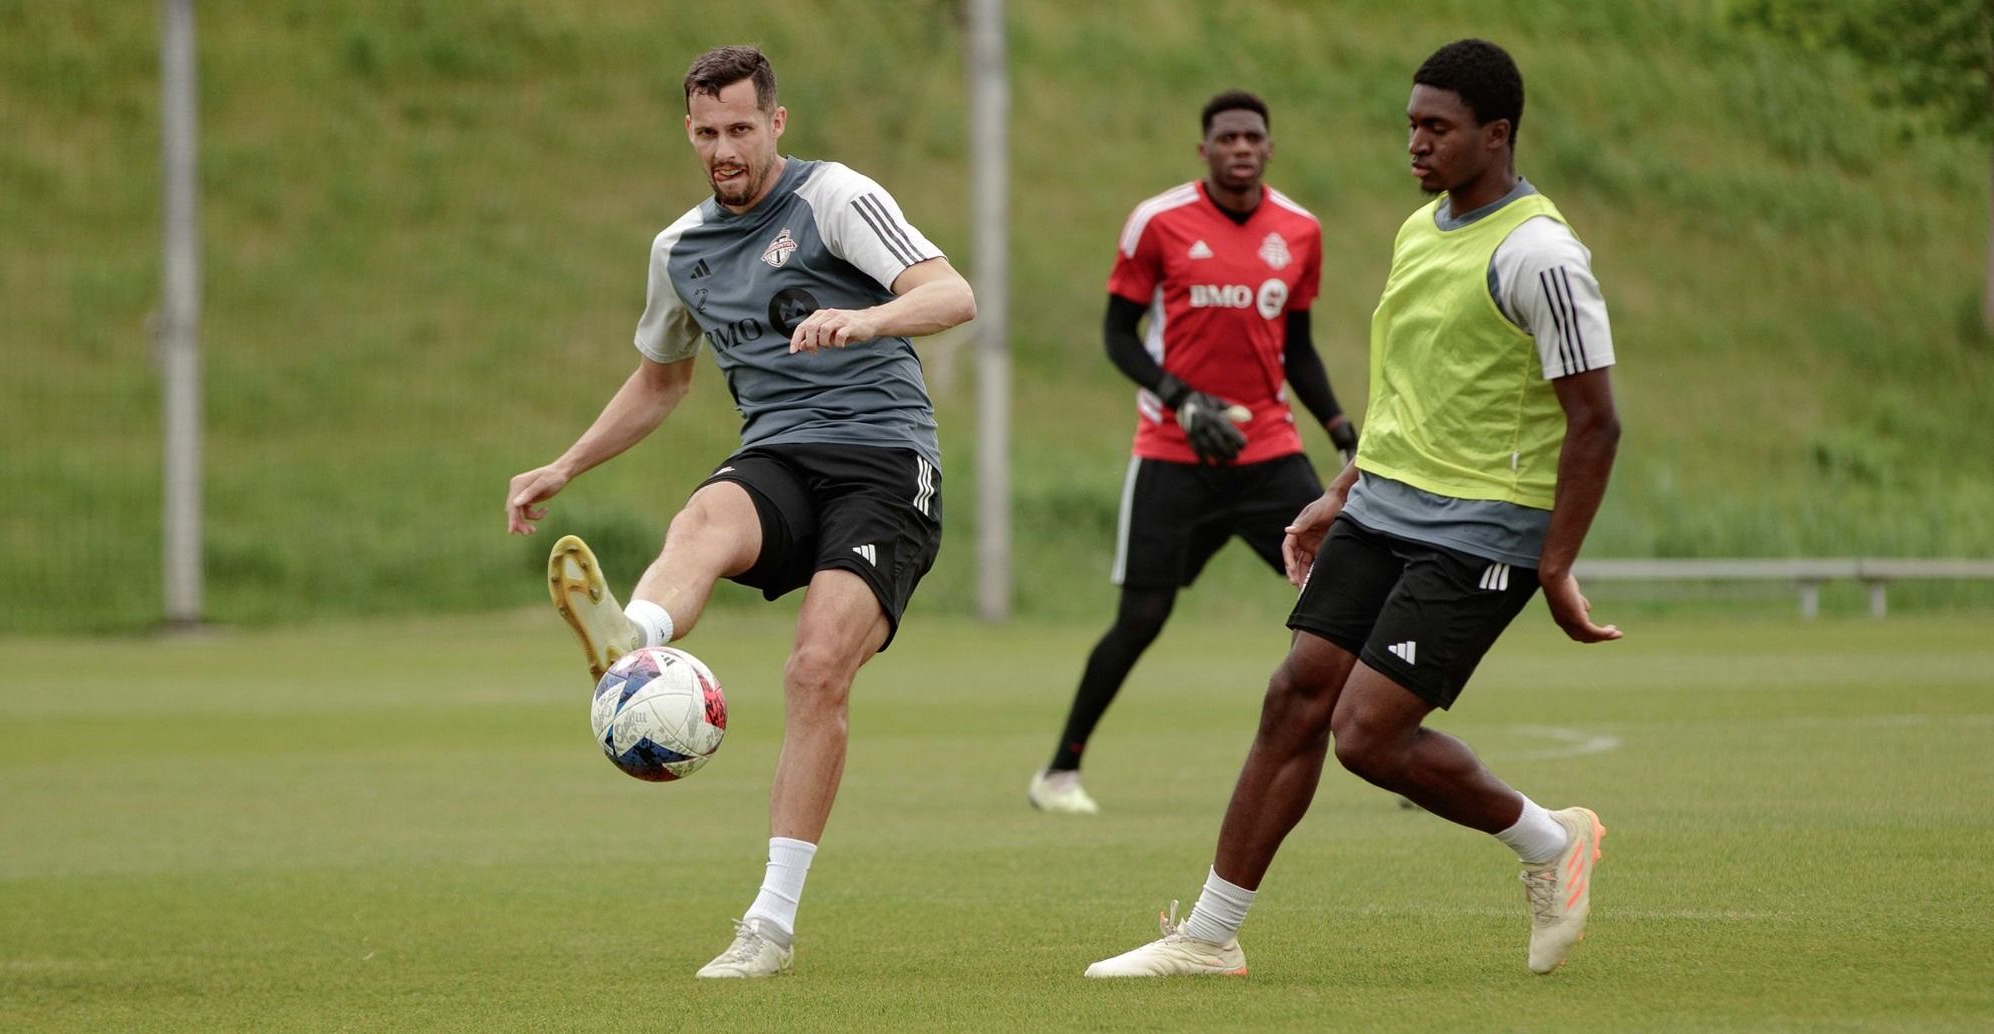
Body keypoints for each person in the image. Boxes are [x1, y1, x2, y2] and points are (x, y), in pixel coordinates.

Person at [1084, 39, 1621, 978]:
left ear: (1495, 135)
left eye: (1437, 128)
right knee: (1292, 694)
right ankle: (1208, 938)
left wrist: (1556, 562)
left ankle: (1548, 841)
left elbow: (1596, 424)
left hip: (1485, 524)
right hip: (1386, 505)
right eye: (1411, 124)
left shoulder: (1541, 254)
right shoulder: (1424, 230)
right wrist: (1341, 490)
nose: (1415, 143)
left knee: (1366, 735)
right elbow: (1411, 388)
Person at [504, 45, 973, 979]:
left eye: (742, 129)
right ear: (689, 131)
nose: (725, 148)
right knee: (705, 521)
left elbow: (952, 293)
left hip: (885, 459)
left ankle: (770, 925)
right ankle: (630, 640)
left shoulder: (834, 198)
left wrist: (867, 318)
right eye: (708, 132)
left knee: (814, 670)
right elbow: (661, 379)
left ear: (777, 123)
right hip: (780, 453)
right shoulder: (679, 252)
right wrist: (567, 463)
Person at [1027, 90, 1359, 816]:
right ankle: (1058, 774)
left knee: (1343, 592)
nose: (1240, 147)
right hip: (1173, 454)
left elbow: (1295, 346)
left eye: (1253, 137)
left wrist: (1337, 425)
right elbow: (1117, 336)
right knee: (1141, 617)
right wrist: (1183, 400)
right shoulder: (1158, 222)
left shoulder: (1299, 230)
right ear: (1203, 149)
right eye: (1226, 137)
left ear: (1269, 148)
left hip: (1268, 450)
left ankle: (1390, 747)